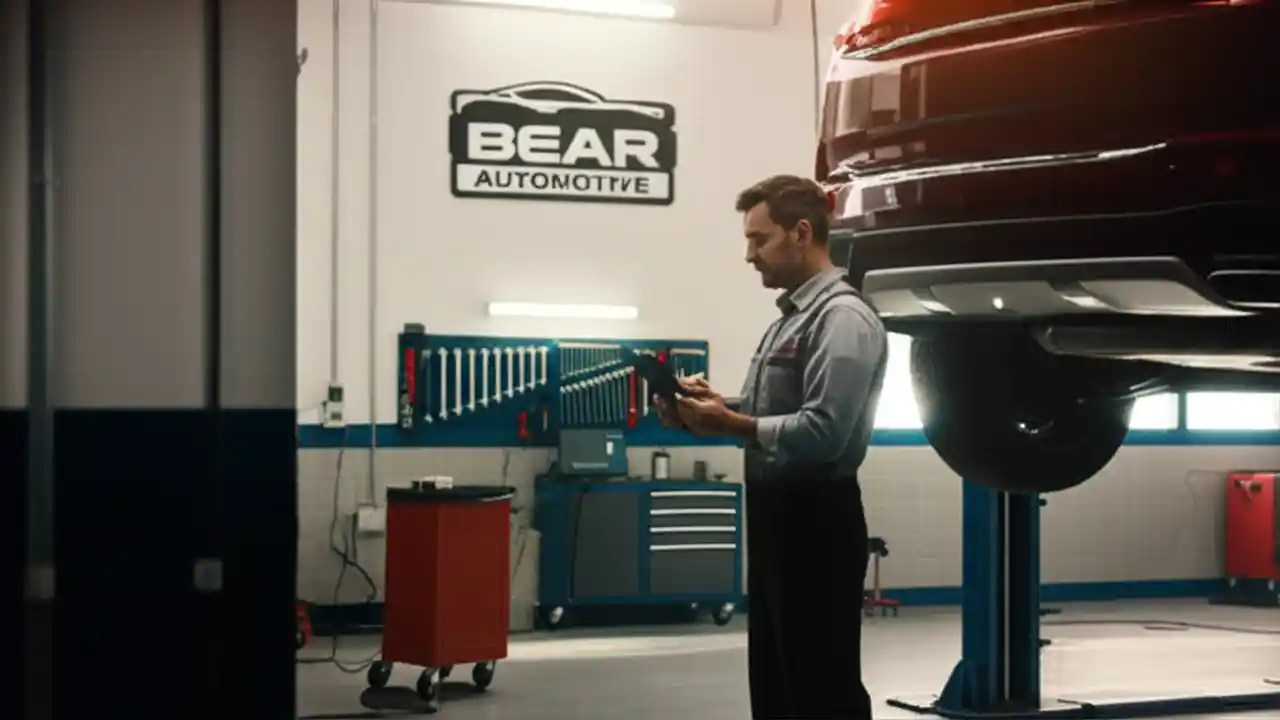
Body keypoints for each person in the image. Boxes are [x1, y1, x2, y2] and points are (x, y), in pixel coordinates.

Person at [654, 174, 887, 720]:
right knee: (778, 679)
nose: (749, 255)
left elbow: (825, 432)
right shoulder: (792, 320)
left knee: (819, 685)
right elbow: (772, 415)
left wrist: (732, 423)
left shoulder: (842, 319)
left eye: (759, 240)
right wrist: (703, 413)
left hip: (816, 520)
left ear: (801, 232)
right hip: (779, 515)